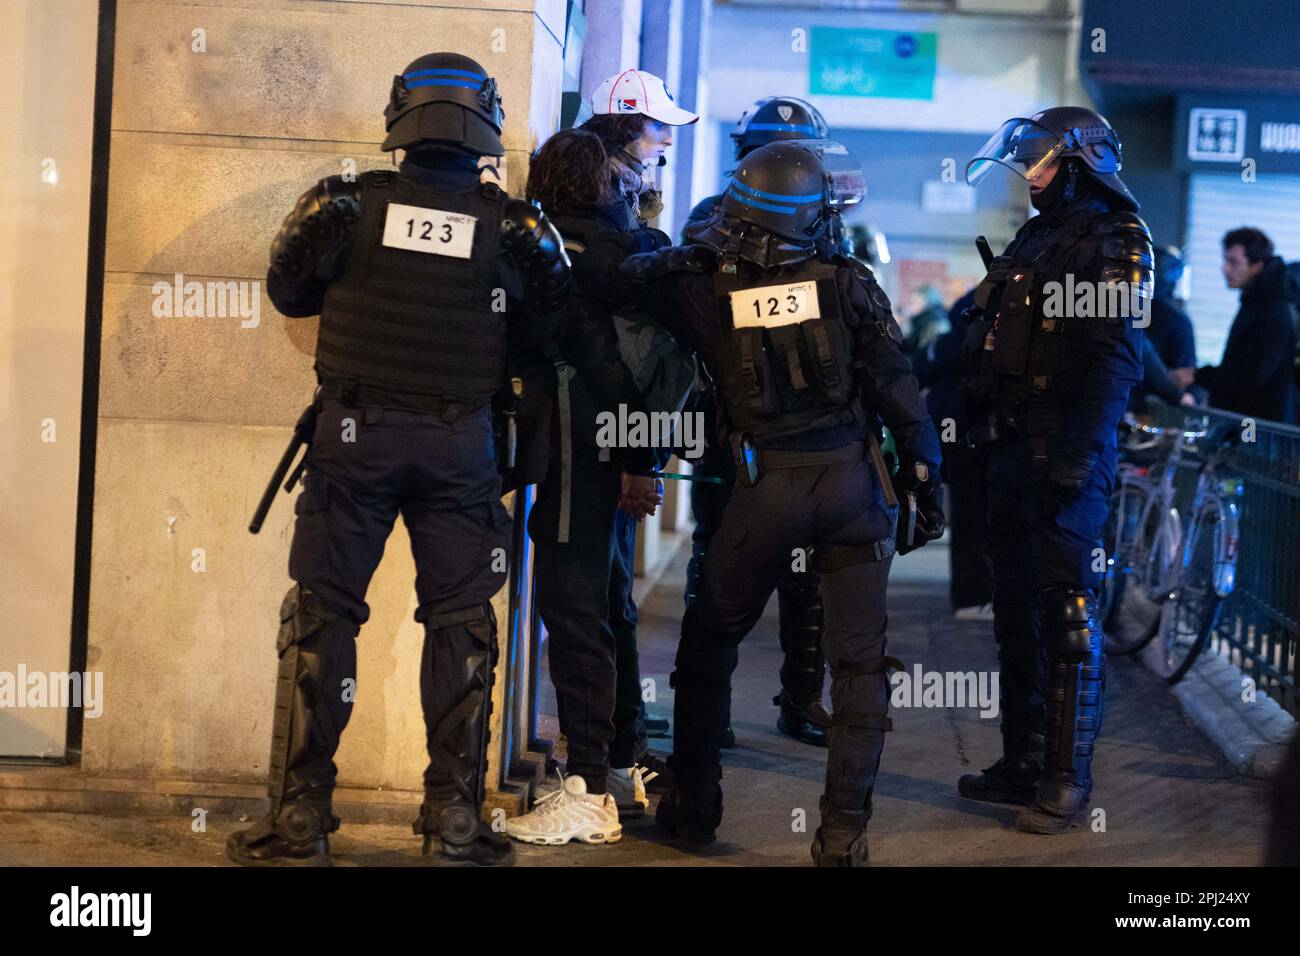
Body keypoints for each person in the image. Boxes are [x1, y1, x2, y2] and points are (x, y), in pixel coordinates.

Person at [226, 53, 573, 867]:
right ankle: (453, 820)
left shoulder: (341, 207)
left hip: (355, 439)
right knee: (461, 623)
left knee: (322, 616)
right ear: (486, 123)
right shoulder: (519, 229)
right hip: (460, 447)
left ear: (399, 117)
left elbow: (289, 293)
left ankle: (301, 818)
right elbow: (547, 327)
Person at [608, 141, 944, 865]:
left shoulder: (703, 284)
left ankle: (694, 810)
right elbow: (899, 388)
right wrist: (924, 472)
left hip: (765, 490)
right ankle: (843, 837)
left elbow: (622, 277)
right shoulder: (849, 281)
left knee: (710, 638)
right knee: (858, 668)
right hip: (853, 487)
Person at [503, 72, 699, 849]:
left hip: (576, 442)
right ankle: (615, 764)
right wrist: (641, 454)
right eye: (655, 132)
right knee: (607, 603)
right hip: (609, 445)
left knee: (574, 605)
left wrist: (633, 453)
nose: (663, 147)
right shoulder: (633, 244)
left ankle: (586, 786)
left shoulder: (566, 247)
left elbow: (594, 357)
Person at [960, 107, 1150, 833]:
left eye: (1039, 161)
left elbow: (1115, 360)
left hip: (1068, 457)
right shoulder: (1040, 235)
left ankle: (1066, 779)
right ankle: (1023, 762)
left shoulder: (1120, 241)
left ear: (1077, 164)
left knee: (1068, 615)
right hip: (1012, 451)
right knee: (1015, 614)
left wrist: (1076, 455)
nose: (1030, 175)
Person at [680, 96, 840, 748]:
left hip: (780, 424)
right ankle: (729, 709)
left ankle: (786, 702)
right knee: (725, 572)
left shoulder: (825, 223)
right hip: (735, 420)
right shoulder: (706, 220)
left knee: (776, 576)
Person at [911, 288, 994, 617]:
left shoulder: (946, 344)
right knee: (976, 518)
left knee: (968, 517)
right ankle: (975, 596)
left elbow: (916, 373)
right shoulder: (979, 346)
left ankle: (973, 595)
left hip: (953, 439)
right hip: (976, 438)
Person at [1196, 227, 1298, 424]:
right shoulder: (1256, 300)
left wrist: (1203, 376)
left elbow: (1253, 374)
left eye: (1233, 262)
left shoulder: (1273, 307)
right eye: (1225, 260)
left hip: (1259, 428)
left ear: (1257, 265)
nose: (1224, 269)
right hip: (1250, 422)